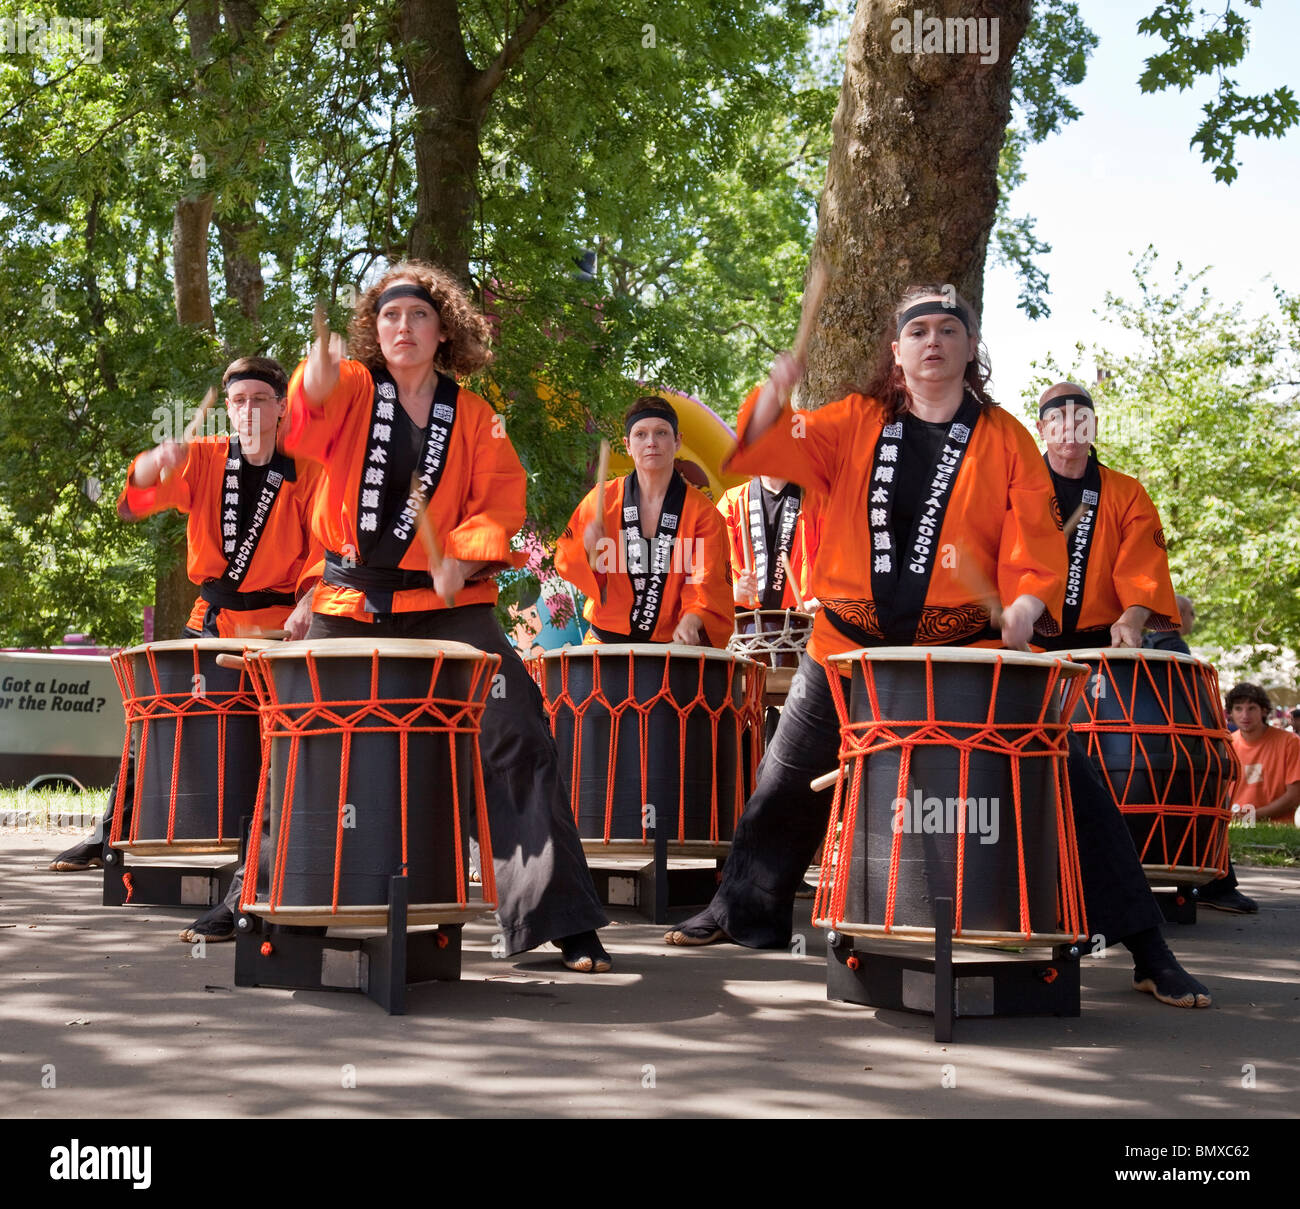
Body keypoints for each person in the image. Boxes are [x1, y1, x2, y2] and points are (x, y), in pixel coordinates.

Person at [664, 284, 1212, 1009]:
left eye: (947, 329)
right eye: (917, 330)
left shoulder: (1006, 436)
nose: (932, 340)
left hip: (965, 651)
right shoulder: (853, 422)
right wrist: (773, 393)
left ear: (968, 348)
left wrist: (1024, 598)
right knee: (785, 780)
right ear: (896, 352)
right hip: (847, 647)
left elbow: (1036, 538)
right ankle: (742, 908)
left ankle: (1146, 947)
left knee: (1068, 778)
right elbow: (768, 447)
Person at [284, 261, 612, 972]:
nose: (403, 328)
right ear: (375, 332)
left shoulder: (476, 415)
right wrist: (311, 376)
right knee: (301, 732)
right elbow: (303, 425)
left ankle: (560, 918)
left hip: (448, 606)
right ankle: (273, 896)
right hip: (352, 602)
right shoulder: (349, 391)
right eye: (390, 317)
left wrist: (462, 553)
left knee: (517, 733)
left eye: (419, 317)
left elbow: (502, 501)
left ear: (444, 332)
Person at [49, 357, 321, 896]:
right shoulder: (203, 457)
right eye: (238, 401)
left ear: (282, 407)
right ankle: (112, 834)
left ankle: (264, 860)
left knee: (274, 740)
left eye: (260, 400)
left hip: (275, 625)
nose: (248, 410)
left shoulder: (306, 468)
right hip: (213, 616)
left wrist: (310, 599)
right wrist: (155, 460)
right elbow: (134, 501)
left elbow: (326, 548)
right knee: (154, 723)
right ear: (226, 408)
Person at [554, 397, 733, 648]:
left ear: (677, 440)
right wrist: (586, 548)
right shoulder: (602, 501)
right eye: (641, 434)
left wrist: (692, 620)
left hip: (671, 649)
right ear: (627, 445)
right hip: (604, 645)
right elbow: (570, 564)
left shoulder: (703, 513)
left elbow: (705, 580)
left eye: (661, 432)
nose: (651, 442)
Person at [1030, 383, 1181, 650]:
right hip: (1025, 643)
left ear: (1094, 426)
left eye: (1081, 418)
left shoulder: (1128, 493)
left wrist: (1132, 619)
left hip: (1103, 647)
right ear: (1041, 429)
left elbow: (1144, 570)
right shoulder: (1016, 488)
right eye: (1057, 418)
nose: (1071, 427)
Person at [717, 475, 820, 613]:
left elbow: (837, 559)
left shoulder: (815, 502)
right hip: (745, 617)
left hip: (800, 615)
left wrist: (818, 601)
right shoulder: (732, 501)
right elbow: (711, 565)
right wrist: (733, 591)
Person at [1224, 682, 1300, 829]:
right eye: (1238, 708)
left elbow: (1294, 797)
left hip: (1278, 831)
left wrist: (1252, 816)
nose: (1245, 715)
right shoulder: (1227, 745)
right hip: (1235, 828)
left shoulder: (1290, 742)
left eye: (1251, 708)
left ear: (1264, 711)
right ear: (1231, 713)